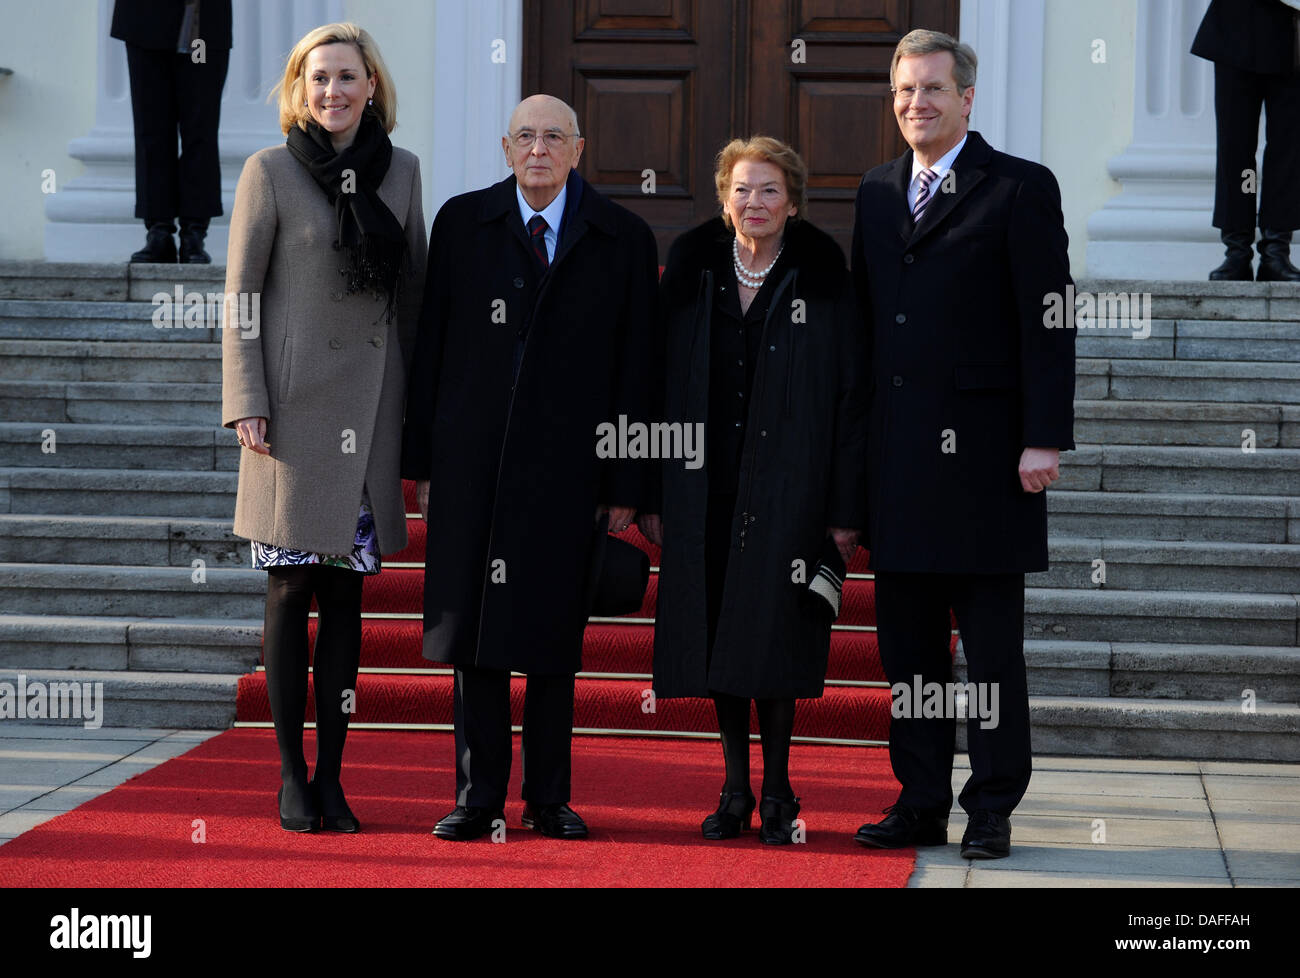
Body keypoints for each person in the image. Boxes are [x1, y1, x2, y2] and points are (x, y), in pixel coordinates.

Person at [401, 95, 658, 842]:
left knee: (552, 642)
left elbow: (637, 371)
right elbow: (431, 349)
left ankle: (549, 798)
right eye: (525, 137)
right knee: (473, 636)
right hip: (472, 467)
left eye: (553, 137)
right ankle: (476, 798)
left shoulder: (622, 238)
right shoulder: (462, 223)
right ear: (505, 148)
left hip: (570, 473)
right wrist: (418, 462)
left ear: (580, 149)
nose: (538, 149)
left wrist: (625, 482)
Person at [850, 29, 1075, 859]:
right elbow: (866, 334)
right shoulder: (876, 192)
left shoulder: (1019, 187)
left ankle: (989, 806)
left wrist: (1044, 437)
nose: (917, 103)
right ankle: (917, 800)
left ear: (968, 99)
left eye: (933, 90)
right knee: (907, 657)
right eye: (905, 90)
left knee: (990, 659)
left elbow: (1049, 321)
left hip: (988, 466)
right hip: (900, 464)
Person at [221, 23, 426, 833]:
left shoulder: (403, 172)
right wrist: (245, 395)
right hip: (290, 416)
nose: (332, 91)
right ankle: (288, 774)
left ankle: (334, 775)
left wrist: (419, 414)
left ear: (371, 86)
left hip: (370, 413)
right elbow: (241, 296)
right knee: (290, 589)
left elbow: (415, 297)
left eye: (347, 77)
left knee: (346, 597)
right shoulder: (269, 170)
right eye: (318, 78)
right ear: (299, 89)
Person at [642, 137, 866, 845]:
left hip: (791, 490)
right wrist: (651, 488)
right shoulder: (692, 270)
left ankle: (779, 790)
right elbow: (655, 384)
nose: (755, 203)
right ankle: (734, 788)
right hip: (703, 487)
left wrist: (843, 508)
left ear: (792, 201)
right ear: (723, 197)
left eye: (769, 190)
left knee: (774, 638)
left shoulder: (822, 274)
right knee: (718, 639)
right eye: (742, 189)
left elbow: (851, 399)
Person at [111, 0, 232, 263]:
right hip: (143, 18)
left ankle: (194, 234)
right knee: (150, 129)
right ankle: (158, 231)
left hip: (204, 16)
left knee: (201, 130)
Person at [1192, 0, 1300, 281]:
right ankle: (1237, 251)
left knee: (1287, 151)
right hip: (1235, 23)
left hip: (1292, 30)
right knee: (1236, 150)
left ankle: (1276, 252)